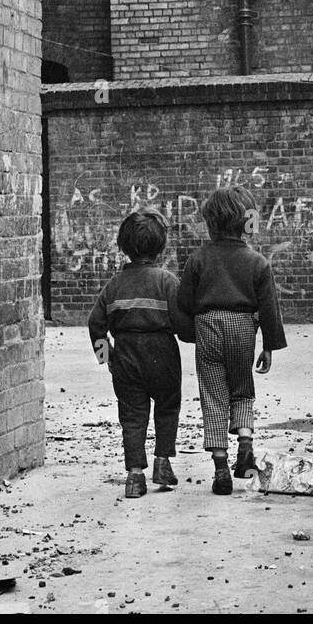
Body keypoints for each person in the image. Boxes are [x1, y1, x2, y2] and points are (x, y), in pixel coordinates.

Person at [177, 184, 287, 495]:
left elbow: (183, 303)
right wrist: (268, 346)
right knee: (242, 390)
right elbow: (269, 307)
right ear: (246, 222)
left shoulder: (198, 259)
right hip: (242, 328)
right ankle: (246, 444)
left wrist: (190, 333)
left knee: (213, 396)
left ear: (211, 223)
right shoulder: (257, 262)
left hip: (208, 326)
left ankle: (221, 466)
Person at [87, 208, 193, 499]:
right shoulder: (168, 281)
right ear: (160, 247)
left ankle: (134, 476)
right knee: (167, 407)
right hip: (163, 353)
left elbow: (95, 323)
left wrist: (106, 358)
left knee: (132, 416)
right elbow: (183, 323)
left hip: (126, 355)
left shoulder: (114, 285)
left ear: (124, 247)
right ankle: (162, 462)